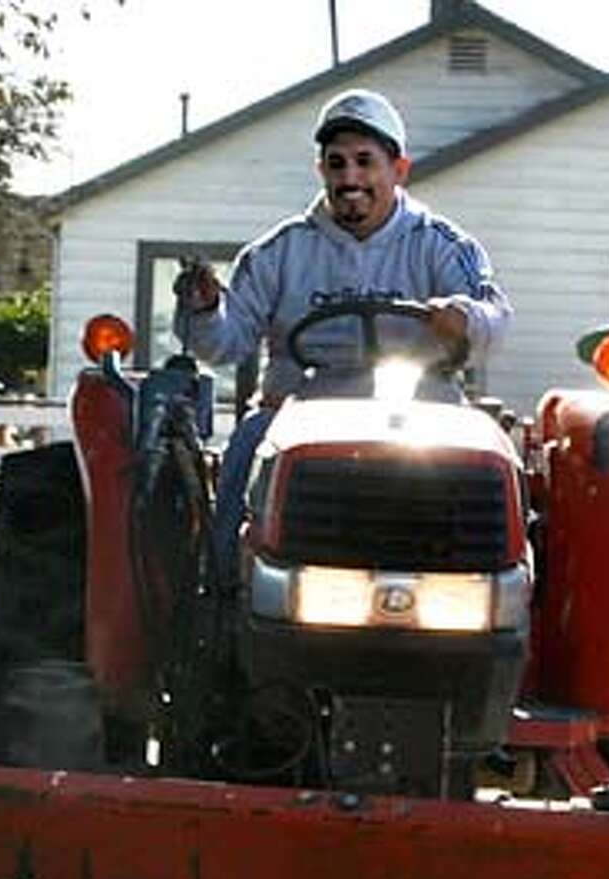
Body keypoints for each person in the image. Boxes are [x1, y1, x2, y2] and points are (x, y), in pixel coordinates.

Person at [172, 87, 513, 584]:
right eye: (337, 164)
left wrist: (464, 318)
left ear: (398, 170)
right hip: (299, 409)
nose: (350, 178)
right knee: (248, 443)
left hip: (424, 410)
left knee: (486, 467)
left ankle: (482, 588)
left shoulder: (442, 246)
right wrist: (204, 309)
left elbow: (494, 315)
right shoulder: (278, 253)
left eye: (364, 162)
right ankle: (224, 589)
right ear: (322, 173)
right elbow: (227, 341)